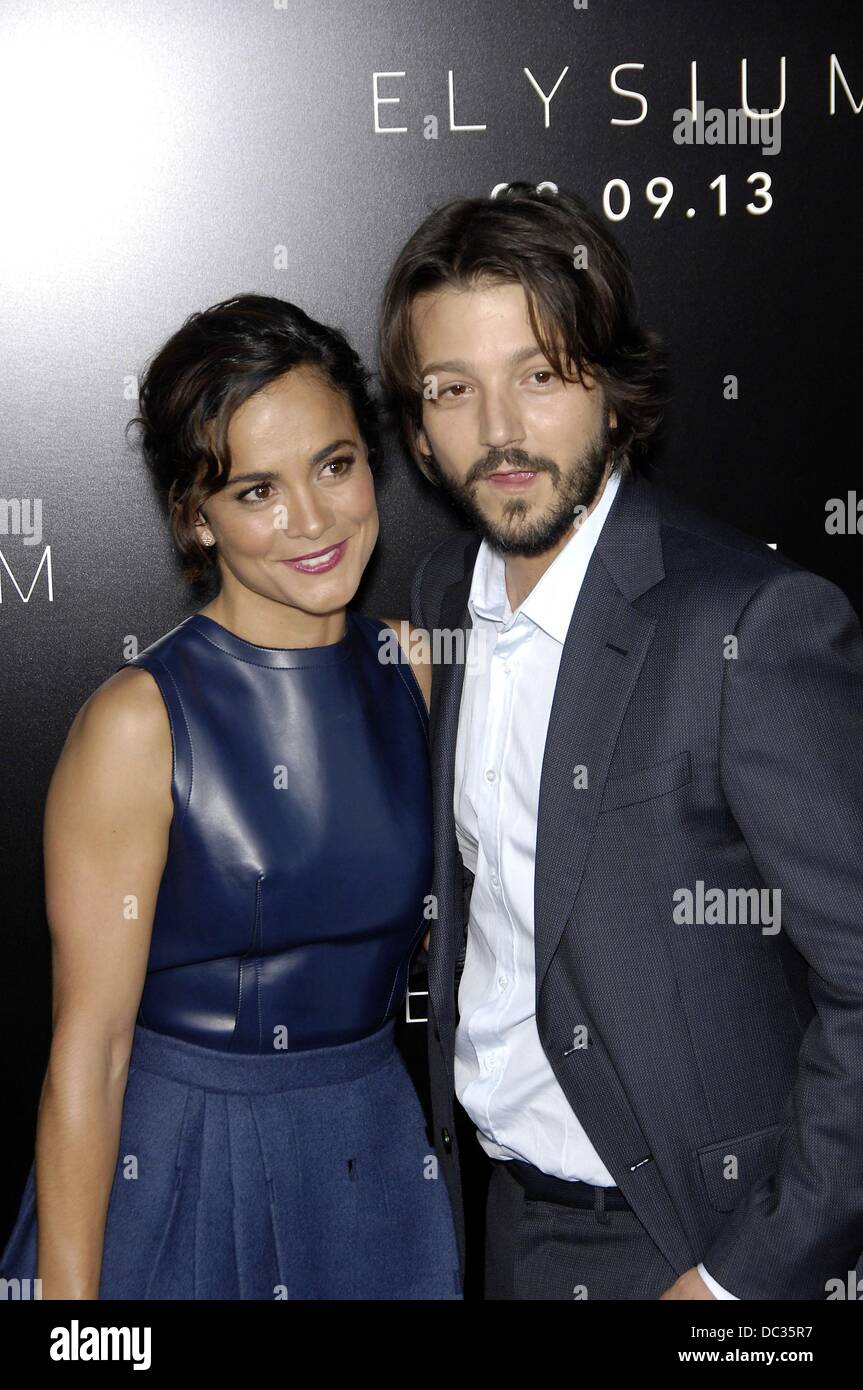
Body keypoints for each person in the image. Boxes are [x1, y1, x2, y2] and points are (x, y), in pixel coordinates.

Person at [377, 181, 863, 1300]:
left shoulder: (747, 623)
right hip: (508, 1228)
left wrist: (745, 1275)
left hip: (694, 1243)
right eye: (453, 390)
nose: (497, 431)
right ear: (415, 424)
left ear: (609, 384)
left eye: (537, 375)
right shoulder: (445, 591)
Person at [0, 293, 462, 1300]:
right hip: (178, 1163)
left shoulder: (414, 671)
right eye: (256, 490)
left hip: (371, 1160)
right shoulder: (139, 722)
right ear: (194, 516)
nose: (312, 519)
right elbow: (90, 1050)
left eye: (333, 465)